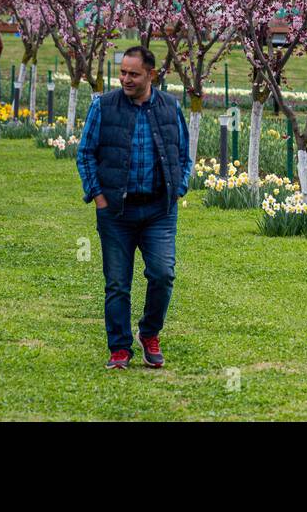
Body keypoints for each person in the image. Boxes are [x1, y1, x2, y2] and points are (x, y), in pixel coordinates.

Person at [76, 46, 192, 370]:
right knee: (117, 283)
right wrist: (98, 197)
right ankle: (119, 348)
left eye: (133, 74)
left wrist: (179, 188)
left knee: (163, 274)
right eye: (123, 72)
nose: (125, 79)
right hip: (116, 212)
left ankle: (149, 333)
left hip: (159, 211)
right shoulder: (104, 106)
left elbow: (184, 155)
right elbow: (85, 153)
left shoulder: (170, 107)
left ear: (150, 75)